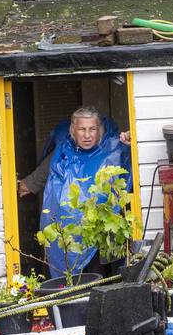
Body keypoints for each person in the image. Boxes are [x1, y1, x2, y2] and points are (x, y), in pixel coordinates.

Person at [17, 106, 132, 278]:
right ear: (73, 131)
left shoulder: (114, 149)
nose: (87, 135)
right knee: (74, 278)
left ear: (99, 130)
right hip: (71, 232)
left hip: (104, 232)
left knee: (102, 277)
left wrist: (131, 141)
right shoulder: (62, 153)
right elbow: (34, 180)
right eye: (82, 129)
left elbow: (133, 165)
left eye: (92, 129)